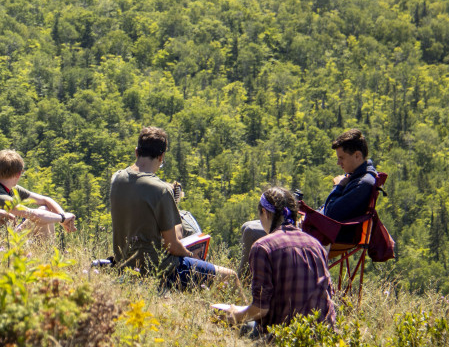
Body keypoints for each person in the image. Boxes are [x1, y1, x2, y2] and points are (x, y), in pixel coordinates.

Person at [239, 128, 379, 277]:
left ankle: (242, 284)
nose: (338, 163)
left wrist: (338, 187)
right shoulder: (357, 178)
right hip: (319, 228)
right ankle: (255, 282)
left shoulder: (363, 183)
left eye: (342, 158)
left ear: (357, 155)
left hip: (325, 236)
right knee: (247, 226)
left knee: (251, 231)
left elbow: (331, 213)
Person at [110, 126, 237, 289]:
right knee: (231, 277)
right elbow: (172, 245)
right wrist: (193, 257)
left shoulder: (117, 178)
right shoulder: (161, 190)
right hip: (157, 269)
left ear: (136, 152)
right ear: (161, 156)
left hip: (124, 264)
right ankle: (250, 315)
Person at [213, 187, 335, 338]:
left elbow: (260, 310)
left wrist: (232, 314)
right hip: (322, 336)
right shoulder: (316, 244)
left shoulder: (262, 247)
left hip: (282, 336)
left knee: (219, 318)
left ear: (264, 212)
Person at [0, 149, 77, 237]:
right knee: (42, 215)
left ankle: (43, 256)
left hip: (8, 238)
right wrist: (62, 218)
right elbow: (35, 216)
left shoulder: (8, 188)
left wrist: (64, 221)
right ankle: (45, 257)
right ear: (18, 174)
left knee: (45, 210)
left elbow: (46, 200)